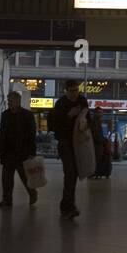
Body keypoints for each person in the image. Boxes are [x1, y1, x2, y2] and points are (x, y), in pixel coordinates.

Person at [49, 80, 89, 218]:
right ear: (66, 91)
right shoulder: (60, 104)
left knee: (74, 174)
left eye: (76, 90)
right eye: (72, 91)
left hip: (78, 143)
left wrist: (84, 118)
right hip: (65, 142)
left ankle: (68, 204)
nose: (75, 94)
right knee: (70, 173)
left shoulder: (82, 100)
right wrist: (69, 115)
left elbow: (87, 117)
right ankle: (67, 205)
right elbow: (55, 125)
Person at [0, 91, 38, 208]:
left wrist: (32, 152)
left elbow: (31, 134)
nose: (9, 103)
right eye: (8, 101)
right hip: (8, 152)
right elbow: (3, 134)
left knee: (25, 176)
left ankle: (32, 192)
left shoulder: (27, 115)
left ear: (18, 101)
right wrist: (0, 150)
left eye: (11, 101)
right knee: (6, 179)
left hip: (22, 152)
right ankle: (7, 200)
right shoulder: (5, 115)